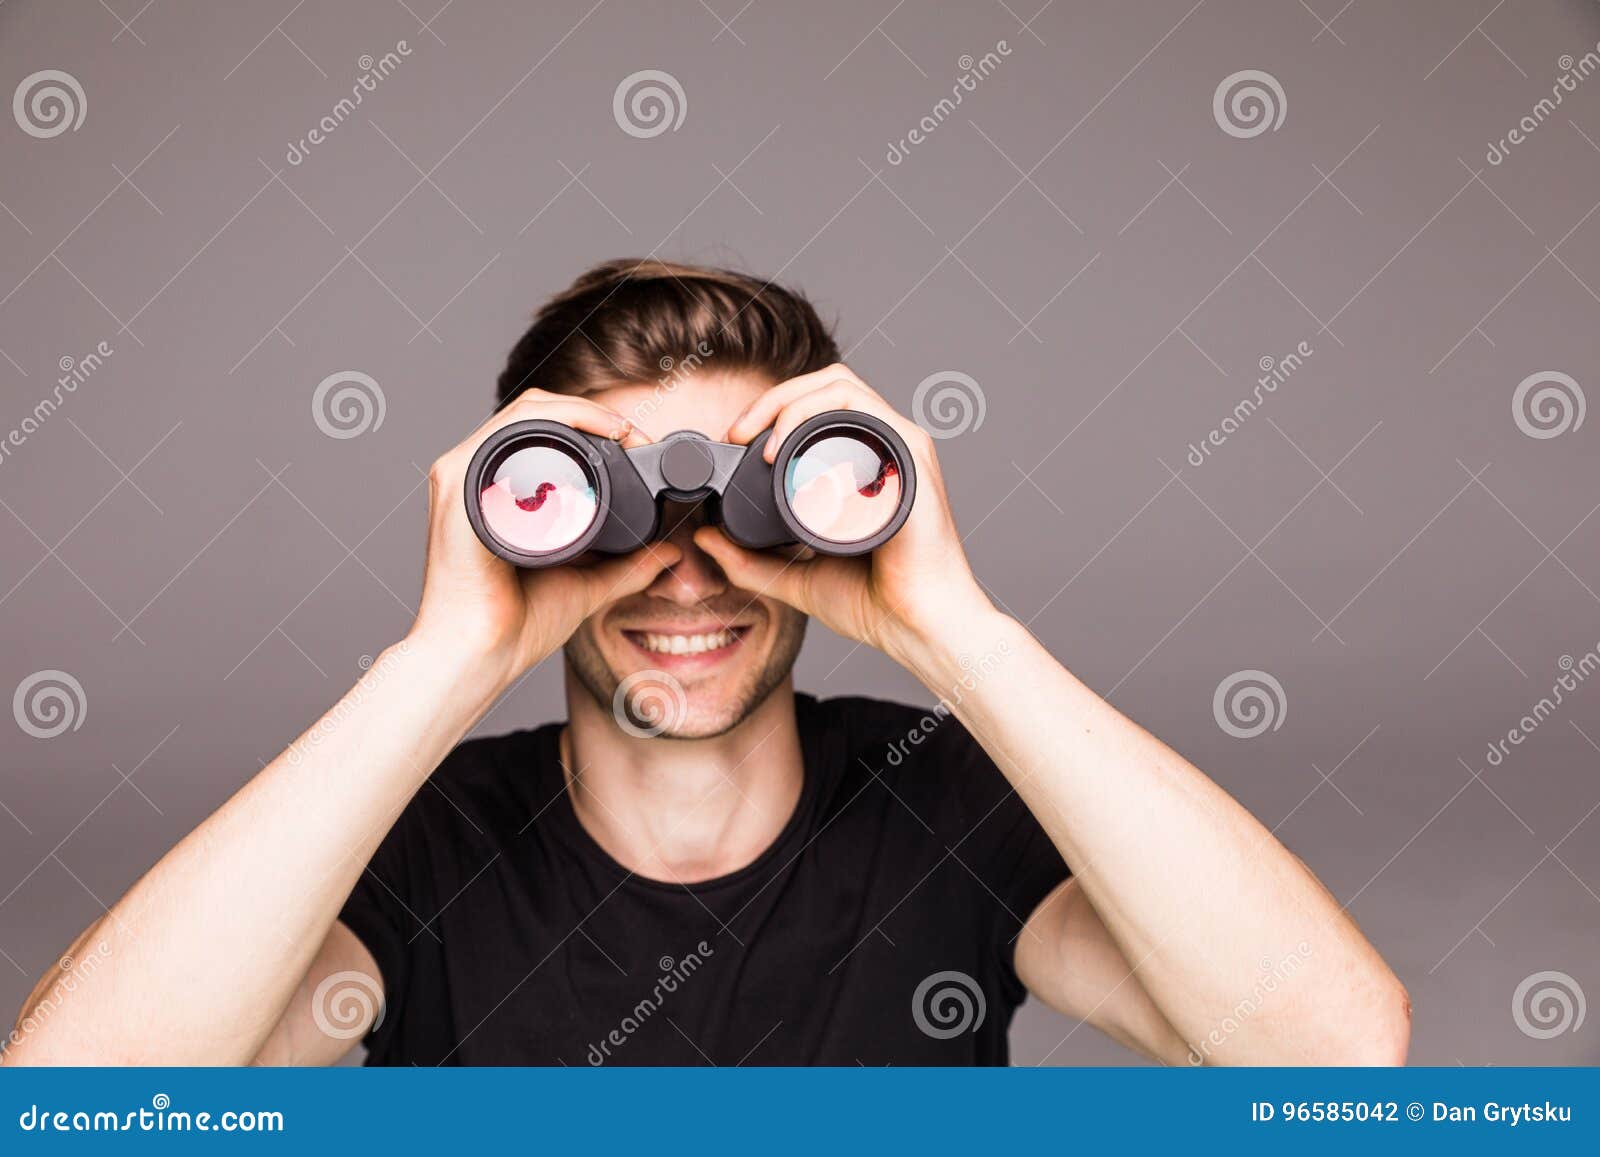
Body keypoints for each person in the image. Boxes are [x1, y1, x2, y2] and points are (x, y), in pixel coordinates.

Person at [4, 260, 1409, 1066]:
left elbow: (1337, 1057)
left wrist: (955, 631)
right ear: (525, 522)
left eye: (744, 510)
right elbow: (77, 1107)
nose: (685, 568)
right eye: (615, 516)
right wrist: (442, 659)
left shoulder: (941, 810)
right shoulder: (420, 851)